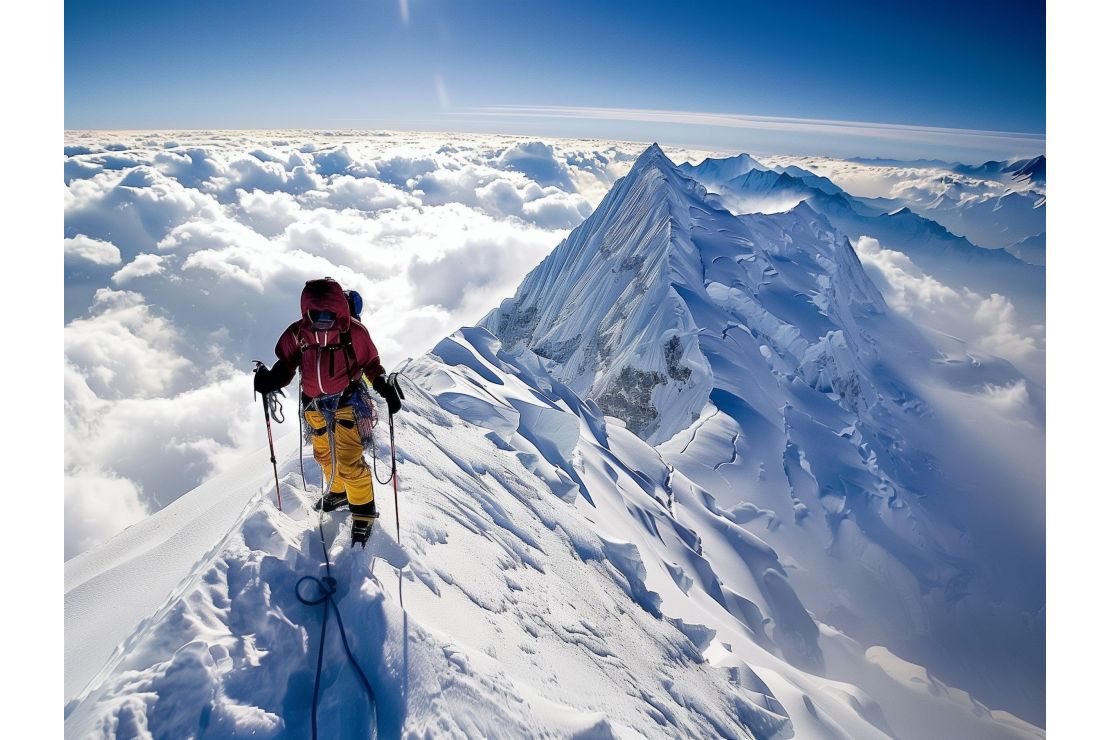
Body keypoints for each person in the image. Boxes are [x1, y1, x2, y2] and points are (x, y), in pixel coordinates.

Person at [253, 277, 402, 546]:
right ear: (306, 311)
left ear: (339, 311)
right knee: (323, 455)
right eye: (316, 314)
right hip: (313, 405)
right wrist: (272, 379)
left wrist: (382, 386)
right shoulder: (299, 333)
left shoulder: (353, 333)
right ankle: (339, 492)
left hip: (348, 403)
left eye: (328, 314)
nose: (323, 319)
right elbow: (287, 363)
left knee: (348, 462)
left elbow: (370, 364)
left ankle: (363, 513)